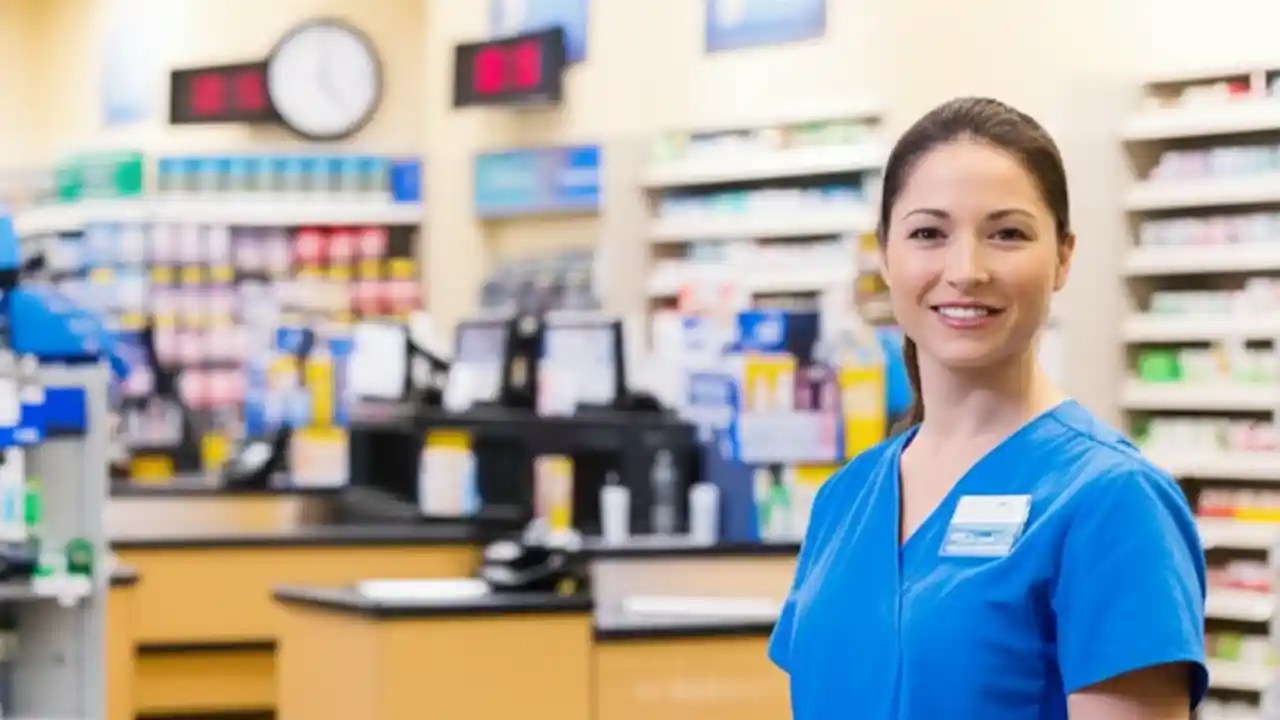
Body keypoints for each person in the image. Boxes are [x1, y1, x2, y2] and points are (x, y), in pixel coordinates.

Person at [768, 97, 1207, 720]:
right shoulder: (846, 498)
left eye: (1007, 233)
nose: (966, 270)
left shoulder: (1112, 500)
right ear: (886, 256)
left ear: (1062, 257)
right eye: (928, 234)